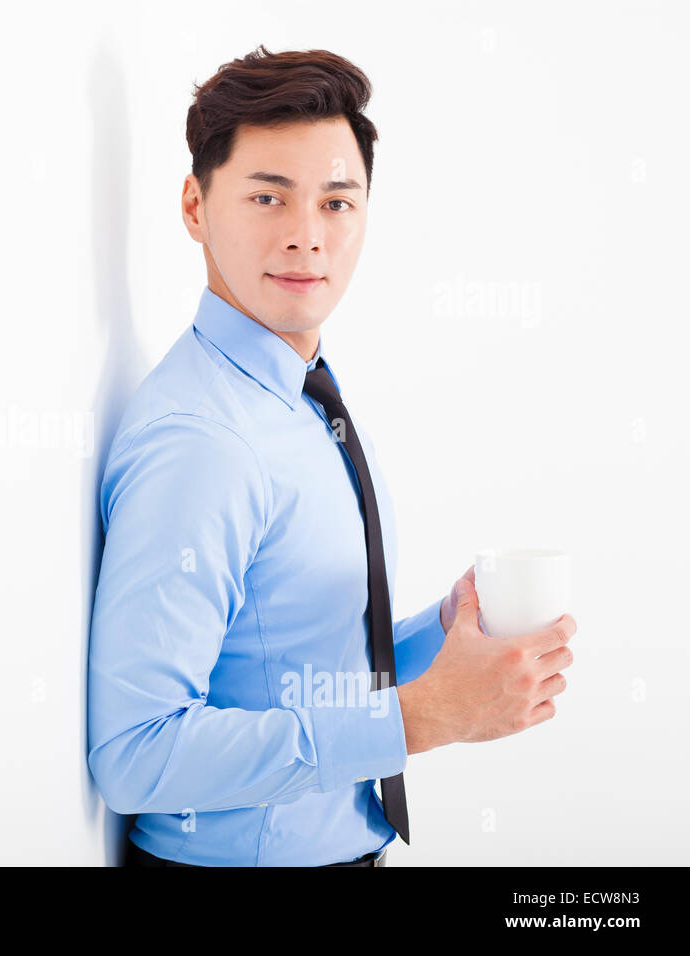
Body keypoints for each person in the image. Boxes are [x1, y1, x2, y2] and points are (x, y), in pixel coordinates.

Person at [86, 45, 577, 867]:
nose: (307, 237)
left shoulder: (303, 390)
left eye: (337, 202)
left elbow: (292, 659)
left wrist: (440, 635)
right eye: (267, 196)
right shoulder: (203, 442)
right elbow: (136, 755)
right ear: (195, 206)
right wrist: (422, 719)